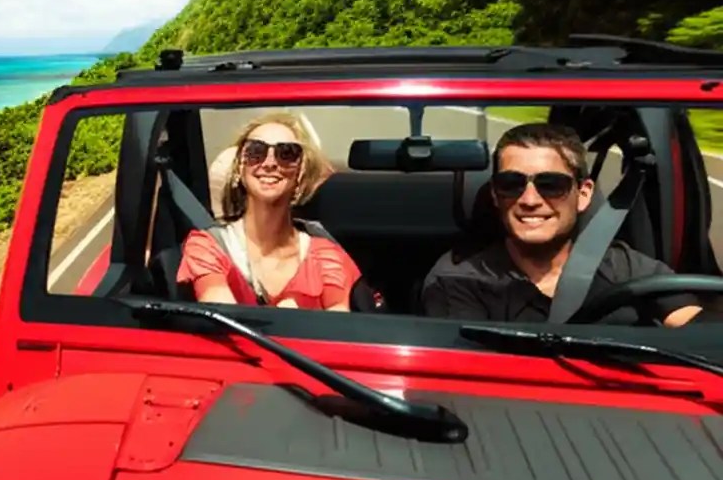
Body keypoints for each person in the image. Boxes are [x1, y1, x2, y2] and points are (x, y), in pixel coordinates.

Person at [422, 122, 703, 326]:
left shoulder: (625, 267)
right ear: (496, 195)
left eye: (550, 185)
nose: (529, 200)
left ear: (583, 194)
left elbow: (697, 333)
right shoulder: (459, 278)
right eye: (511, 184)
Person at [177, 112, 362, 310]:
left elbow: (339, 329)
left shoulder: (326, 256)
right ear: (240, 166)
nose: (270, 163)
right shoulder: (208, 247)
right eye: (256, 151)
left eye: (287, 153)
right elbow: (223, 319)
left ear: (300, 171)